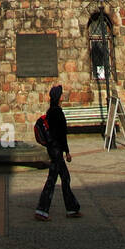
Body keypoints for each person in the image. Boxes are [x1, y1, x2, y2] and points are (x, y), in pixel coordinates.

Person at [34, 84, 81, 220]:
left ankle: (71, 208)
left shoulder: (50, 111)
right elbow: (62, 134)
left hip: (53, 149)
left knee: (64, 178)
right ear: (58, 97)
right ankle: (42, 210)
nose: (62, 96)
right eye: (61, 94)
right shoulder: (57, 113)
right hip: (56, 150)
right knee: (55, 179)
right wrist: (67, 151)